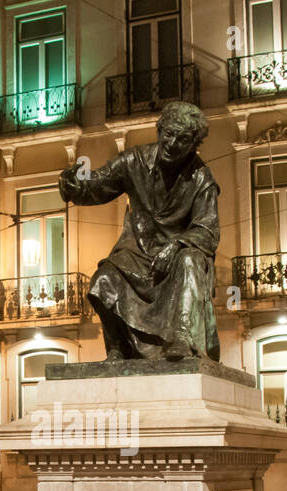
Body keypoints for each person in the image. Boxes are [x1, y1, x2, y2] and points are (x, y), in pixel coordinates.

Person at [58, 101, 220, 362]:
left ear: (193, 145)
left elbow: (207, 229)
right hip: (136, 253)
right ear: (159, 130)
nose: (172, 143)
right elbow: (99, 185)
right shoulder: (134, 160)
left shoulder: (202, 178)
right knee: (104, 278)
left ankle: (182, 337)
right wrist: (74, 186)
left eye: (183, 139)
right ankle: (116, 348)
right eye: (168, 133)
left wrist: (176, 245)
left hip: (179, 255)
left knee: (189, 261)